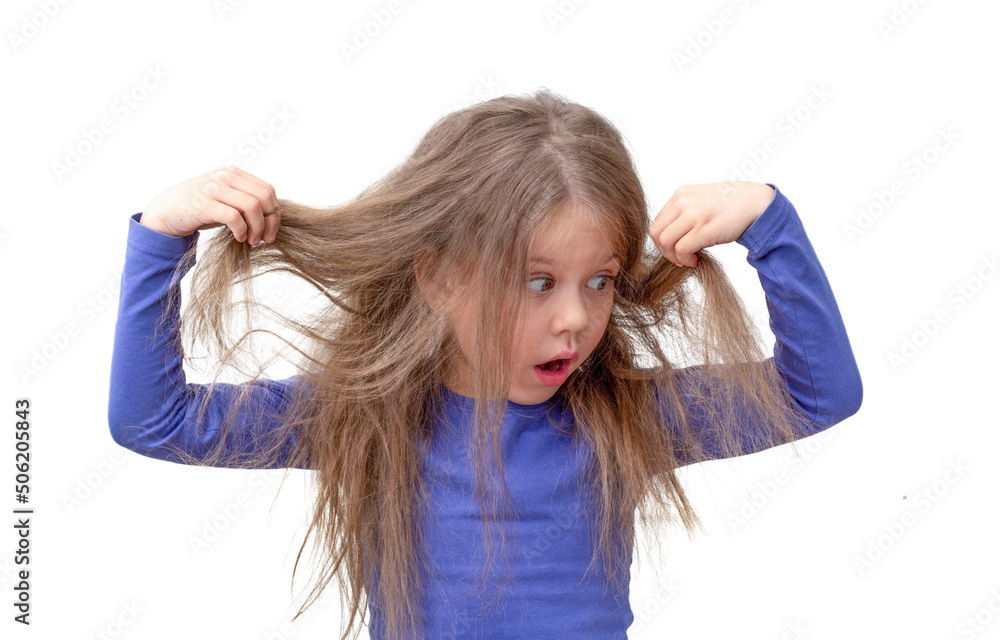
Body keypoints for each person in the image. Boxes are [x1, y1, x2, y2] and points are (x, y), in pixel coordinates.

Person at [108, 88, 863, 639]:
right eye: (538, 282)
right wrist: (160, 238)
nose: (575, 316)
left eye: (599, 281)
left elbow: (819, 395)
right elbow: (154, 421)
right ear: (436, 277)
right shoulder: (366, 416)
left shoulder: (632, 415)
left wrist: (772, 225)